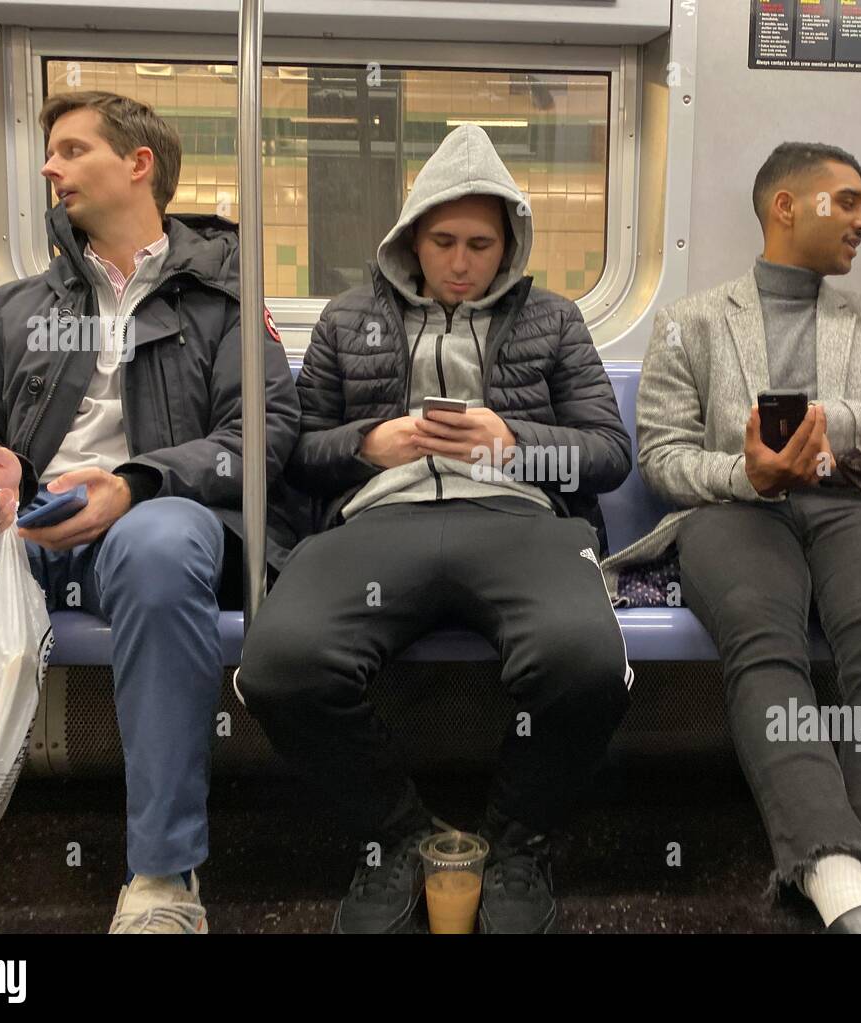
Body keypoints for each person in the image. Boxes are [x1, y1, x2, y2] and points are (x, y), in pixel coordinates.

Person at [0, 91, 298, 932]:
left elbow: (260, 437)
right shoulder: (18, 307)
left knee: (158, 545)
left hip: (150, 515)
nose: (47, 167)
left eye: (70, 150)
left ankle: (162, 877)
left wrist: (136, 482)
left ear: (137, 166)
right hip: (18, 515)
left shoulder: (226, 303)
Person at [237, 124, 634, 935]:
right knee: (281, 666)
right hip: (380, 517)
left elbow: (608, 453)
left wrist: (515, 444)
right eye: (443, 240)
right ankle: (399, 838)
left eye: (481, 244)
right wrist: (364, 444)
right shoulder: (350, 319)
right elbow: (296, 454)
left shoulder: (553, 320)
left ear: (509, 242)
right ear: (410, 239)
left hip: (520, 517)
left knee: (584, 659)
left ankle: (516, 843)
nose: (461, 261)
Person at [602, 142, 861, 933]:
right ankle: (841, 887)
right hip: (733, 512)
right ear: (786, 207)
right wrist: (748, 474)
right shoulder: (690, 323)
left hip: (855, 508)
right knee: (763, 641)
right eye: (850, 201)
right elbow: (661, 455)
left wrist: (843, 424)